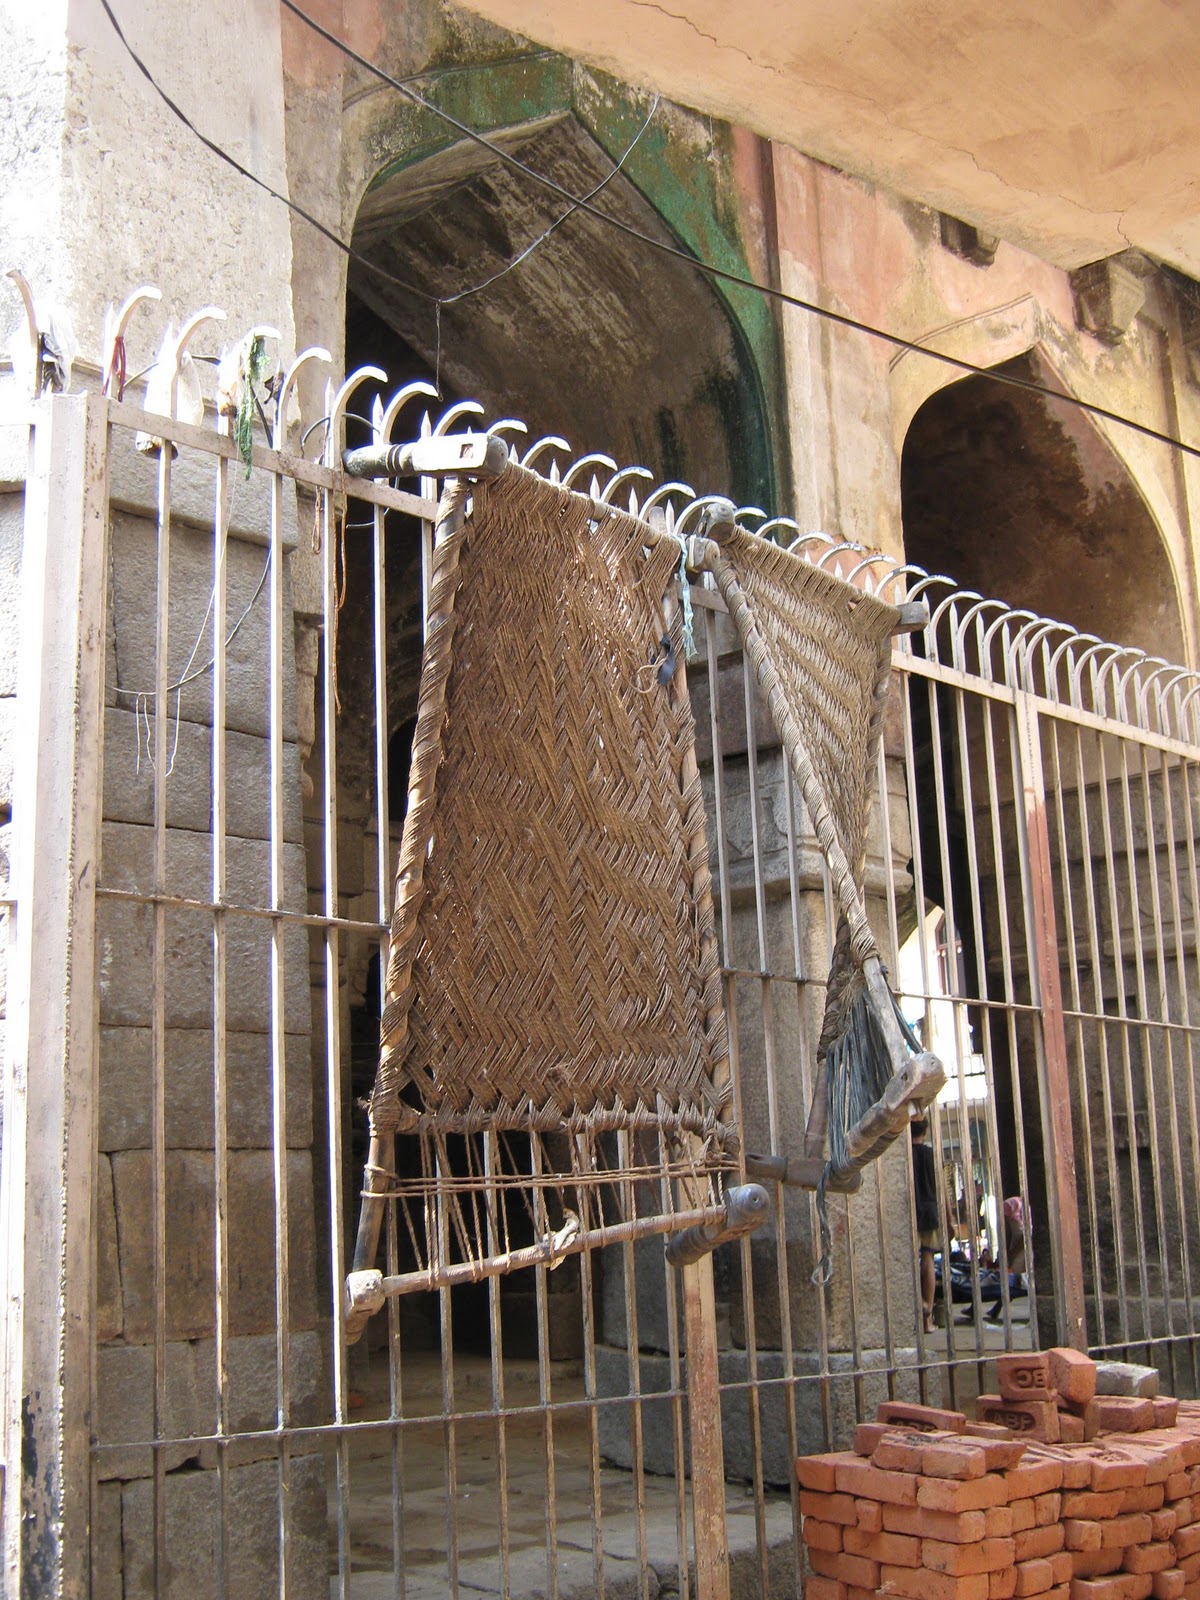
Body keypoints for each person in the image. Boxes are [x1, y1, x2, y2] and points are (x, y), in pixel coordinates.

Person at [910, 1117, 939, 1334]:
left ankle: (920, 1303)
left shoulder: (904, 1156)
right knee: (927, 1258)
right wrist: (948, 1218)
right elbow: (943, 1191)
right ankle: (927, 1319)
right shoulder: (931, 1156)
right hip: (930, 1209)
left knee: (909, 1259)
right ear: (925, 1131)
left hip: (910, 1210)